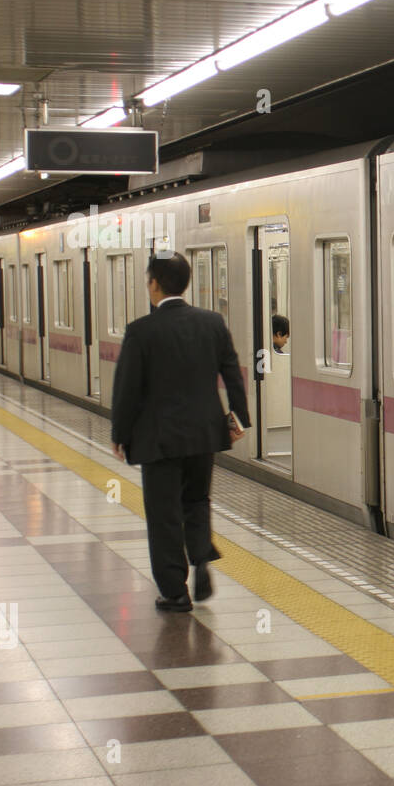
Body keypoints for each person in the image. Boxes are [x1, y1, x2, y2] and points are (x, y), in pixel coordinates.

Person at [111, 252, 250, 612]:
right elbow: (232, 374)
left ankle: (174, 591)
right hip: (204, 434)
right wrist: (237, 420)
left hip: (158, 440)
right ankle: (200, 557)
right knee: (196, 501)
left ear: (154, 284)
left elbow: (127, 389)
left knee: (164, 513)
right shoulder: (212, 322)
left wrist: (120, 434)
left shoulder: (141, 330)